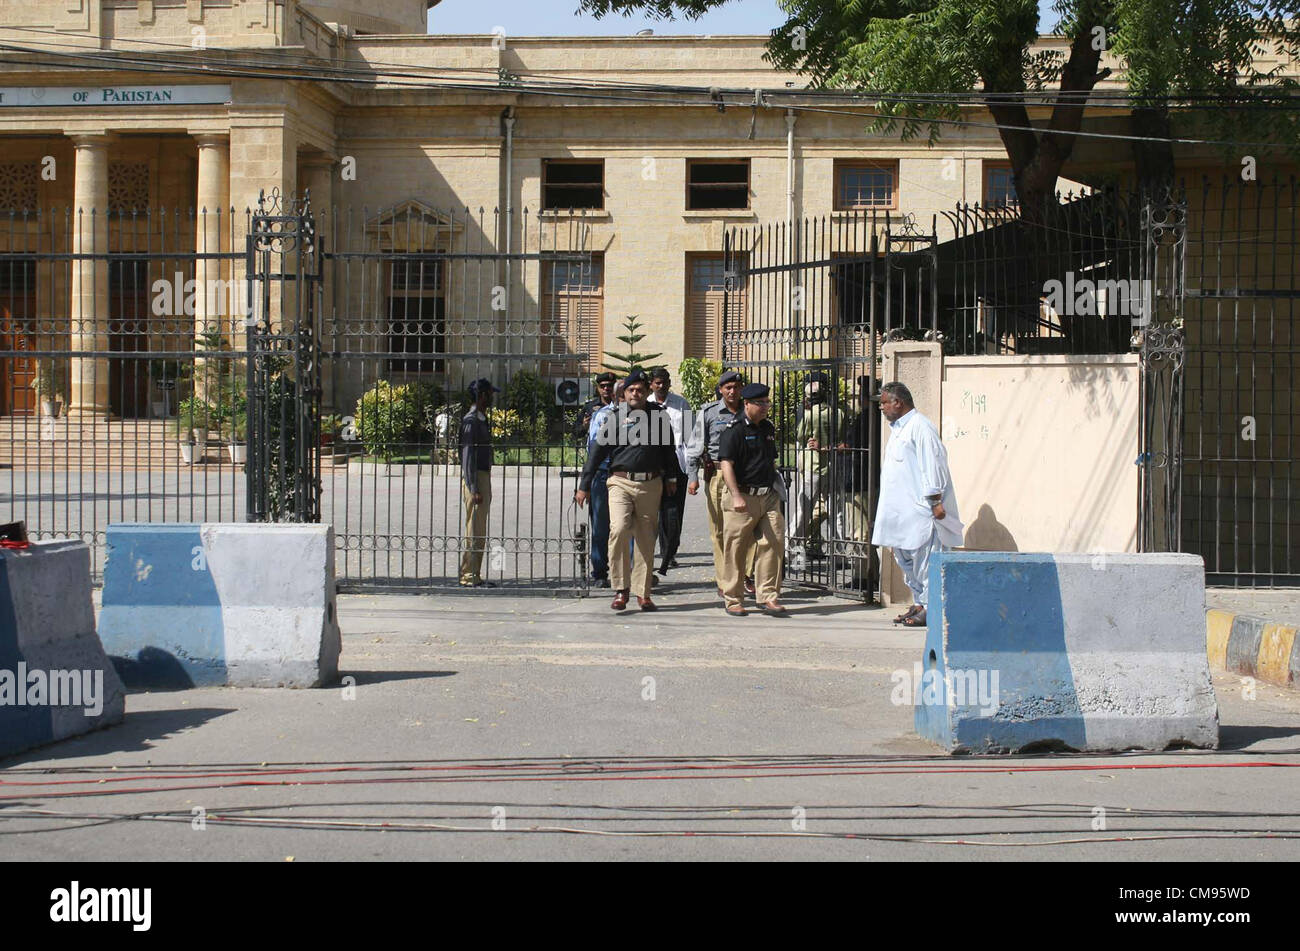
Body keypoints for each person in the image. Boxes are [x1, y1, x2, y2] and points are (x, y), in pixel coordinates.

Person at [575, 369, 683, 611]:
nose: (636, 393)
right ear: (624, 393)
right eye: (632, 390)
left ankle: (642, 593)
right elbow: (596, 453)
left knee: (646, 538)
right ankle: (621, 589)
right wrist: (584, 486)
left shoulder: (659, 417)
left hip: (651, 484)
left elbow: (668, 450)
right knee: (619, 530)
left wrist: (672, 478)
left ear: (647, 393)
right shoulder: (614, 417)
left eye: (641, 390)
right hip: (620, 482)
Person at [871, 381, 964, 627]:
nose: (881, 408)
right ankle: (919, 603)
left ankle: (932, 608)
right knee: (907, 562)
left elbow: (932, 465)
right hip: (901, 514)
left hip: (921, 512)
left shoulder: (921, 427)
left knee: (926, 563)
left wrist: (935, 501)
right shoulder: (899, 429)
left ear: (897, 402)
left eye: (883, 402)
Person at [717, 382, 786, 617]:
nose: (766, 406)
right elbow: (726, 464)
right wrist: (735, 494)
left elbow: (769, 460)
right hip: (742, 497)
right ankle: (733, 598)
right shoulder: (734, 429)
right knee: (735, 547)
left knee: (773, 543)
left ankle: (767, 596)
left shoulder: (767, 428)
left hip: (767, 496)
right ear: (747, 404)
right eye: (761, 403)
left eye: (767, 402)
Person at [686, 369, 754, 598]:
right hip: (716, 475)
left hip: (744, 476)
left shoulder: (749, 411)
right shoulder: (709, 412)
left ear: (742, 388)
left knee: (745, 527)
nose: (733, 391)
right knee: (719, 530)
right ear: (721, 389)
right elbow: (695, 446)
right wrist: (693, 477)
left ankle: (745, 575)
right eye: (728, 388)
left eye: (736, 387)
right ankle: (724, 579)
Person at [838, 375, 881, 595]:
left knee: (859, 532)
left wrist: (836, 447)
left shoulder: (867, 418)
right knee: (863, 531)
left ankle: (863, 578)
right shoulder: (874, 417)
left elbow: (852, 446)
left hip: (859, 481)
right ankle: (868, 574)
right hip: (863, 479)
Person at [788, 375, 838, 561]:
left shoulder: (807, 411)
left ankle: (791, 547)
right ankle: (836, 551)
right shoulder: (837, 412)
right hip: (830, 463)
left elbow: (800, 435)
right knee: (835, 511)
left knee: (806, 508)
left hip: (812, 464)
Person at [648, 366, 691, 576]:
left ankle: (669, 551)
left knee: (674, 513)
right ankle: (649, 551)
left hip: (677, 464)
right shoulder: (643, 404)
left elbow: (692, 436)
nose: (661, 386)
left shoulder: (682, 404)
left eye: (665, 381)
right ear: (651, 384)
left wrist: (692, 471)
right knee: (653, 512)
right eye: (657, 382)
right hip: (653, 466)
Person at [584, 378, 626, 588]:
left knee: (627, 526)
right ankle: (600, 570)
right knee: (600, 525)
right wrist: (586, 483)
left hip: (626, 475)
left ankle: (629, 571)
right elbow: (592, 449)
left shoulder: (640, 416)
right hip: (602, 474)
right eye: (621, 394)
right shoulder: (602, 415)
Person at [458, 377, 500, 587]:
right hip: (475, 478)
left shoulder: (481, 418)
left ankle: (475, 573)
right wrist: (473, 487)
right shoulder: (471, 420)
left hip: (483, 475)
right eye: (490, 393)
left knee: (479, 528)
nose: (492, 397)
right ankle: (468, 575)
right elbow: (467, 456)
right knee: (474, 528)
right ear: (482, 396)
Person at [573, 371, 617, 446]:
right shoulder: (590, 406)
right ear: (598, 388)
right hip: (595, 451)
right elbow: (576, 432)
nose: (606, 388)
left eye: (609, 385)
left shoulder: (621, 405)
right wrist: (584, 426)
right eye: (602, 386)